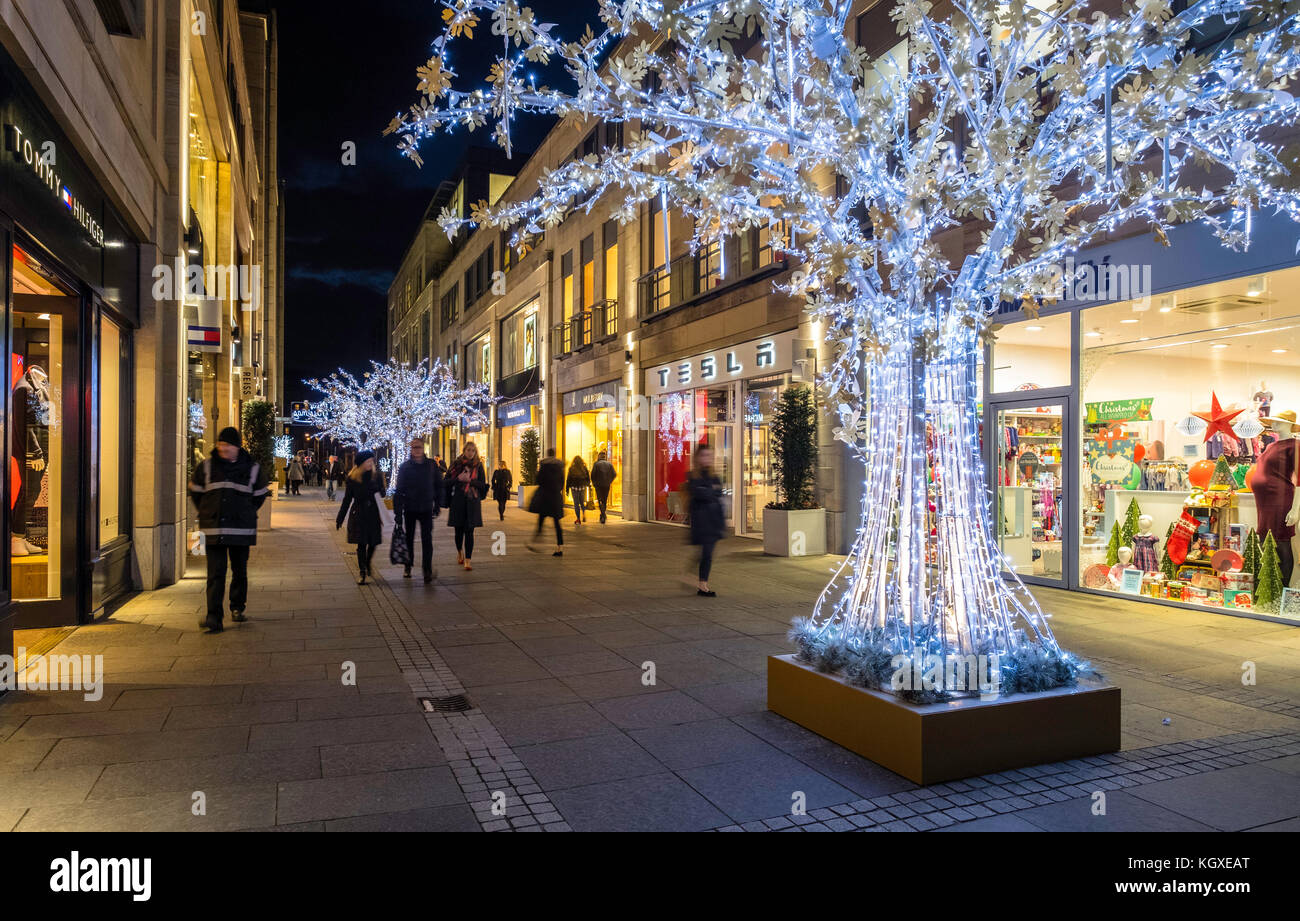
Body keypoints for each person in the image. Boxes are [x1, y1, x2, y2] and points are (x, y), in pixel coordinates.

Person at [189, 426, 270, 633]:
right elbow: (195, 492)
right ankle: (213, 617)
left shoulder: (252, 468)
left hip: (241, 531)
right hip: (213, 530)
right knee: (215, 574)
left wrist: (246, 512)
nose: (223, 449)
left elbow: (260, 495)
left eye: (227, 445)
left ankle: (237, 607)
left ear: (237, 447)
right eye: (220, 444)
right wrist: (208, 513)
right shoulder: (206, 467)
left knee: (239, 571)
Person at [394, 437, 440, 582]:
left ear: (423, 448)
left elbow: (438, 485)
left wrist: (437, 504)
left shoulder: (431, 465)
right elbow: (399, 490)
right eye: (414, 447)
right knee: (409, 539)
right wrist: (398, 512)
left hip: (426, 507)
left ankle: (427, 570)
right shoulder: (405, 467)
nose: (417, 450)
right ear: (411, 449)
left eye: (419, 447)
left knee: (427, 540)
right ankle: (408, 566)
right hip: (410, 508)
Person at [336, 450, 385, 584]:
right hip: (359, 513)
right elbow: (347, 500)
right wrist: (340, 518)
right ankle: (362, 571)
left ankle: (368, 562)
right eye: (367, 461)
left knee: (374, 542)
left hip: (374, 513)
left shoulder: (377, 476)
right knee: (362, 543)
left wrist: (380, 490)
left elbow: (383, 494)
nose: (370, 463)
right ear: (361, 463)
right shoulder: (353, 478)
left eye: (371, 461)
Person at [687, 444, 725, 597]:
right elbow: (699, 493)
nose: (707, 458)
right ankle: (703, 585)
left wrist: (708, 491)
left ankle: (693, 577)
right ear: (697, 458)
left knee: (706, 553)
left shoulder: (714, 476)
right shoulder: (692, 476)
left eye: (709, 455)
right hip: (702, 520)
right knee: (707, 552)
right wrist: (711, 491)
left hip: (714, 519)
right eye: (704, 455)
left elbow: (718, 492)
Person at [447, 441, 488, 570]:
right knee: (458, 532)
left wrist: (471, 481)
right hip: (458, 502)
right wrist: (458, 479)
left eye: (473, 450)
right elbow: (446, 482)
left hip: (472, 502)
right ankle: (460, 552)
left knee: (469, 532)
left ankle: (468, 560)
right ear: (464, 451)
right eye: (468, 450)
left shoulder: (479, 466)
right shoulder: (456, 465)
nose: (470, 453)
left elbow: (483, 485)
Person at [528, 448, 566, 557]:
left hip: (544, 497)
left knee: (540, 521)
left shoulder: (544, 466)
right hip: (555, 497)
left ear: (547, 455)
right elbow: (562, 483)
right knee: (557, 524)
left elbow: (538, 480)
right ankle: (560, 548)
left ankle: (534, 542)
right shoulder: (560, 467)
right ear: (555, 455)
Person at [591, 451, 617, 524]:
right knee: (604, 500)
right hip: (606, 485)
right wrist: (609, 481)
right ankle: (603, 514)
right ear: (604, 457)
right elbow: (614, 474)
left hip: (598, 485)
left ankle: (602, 515)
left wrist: (594, 483)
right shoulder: (609, 464)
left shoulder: (596, 464)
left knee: (600, 500)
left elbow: (592, 475)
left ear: (599, 456)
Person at [566, 456, 591, 525]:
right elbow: (588, 478)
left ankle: (578, 519)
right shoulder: (584, 468)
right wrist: (588, 485)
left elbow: (568, 479)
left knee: (576, 504)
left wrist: (567, 489)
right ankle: (584, 513)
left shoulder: (571, 468)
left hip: (574, 488)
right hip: (582, 487)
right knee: (582, 502)